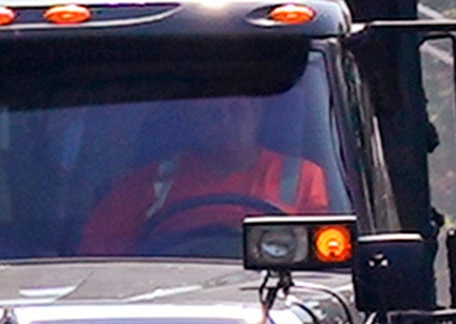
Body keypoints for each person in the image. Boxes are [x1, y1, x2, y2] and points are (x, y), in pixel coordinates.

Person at [77, 95, 338, 257]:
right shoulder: (147, 183)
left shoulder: (304, 178)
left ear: (257, 113)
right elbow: (98, 261)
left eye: (236, 110)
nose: (225, 121)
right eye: (212, 112)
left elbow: (327, 263)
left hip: (270, 301)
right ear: (191, 120)